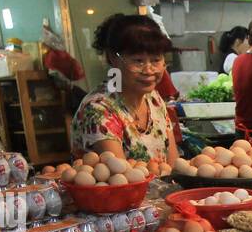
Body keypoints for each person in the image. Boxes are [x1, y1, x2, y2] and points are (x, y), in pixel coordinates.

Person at [72, 13, 178, 167]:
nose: (148, 70)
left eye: (156, 60)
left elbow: (174, 166)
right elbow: (122, 177)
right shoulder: (99, 109)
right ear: (113, 58)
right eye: (138, 61)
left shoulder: (154, 99)